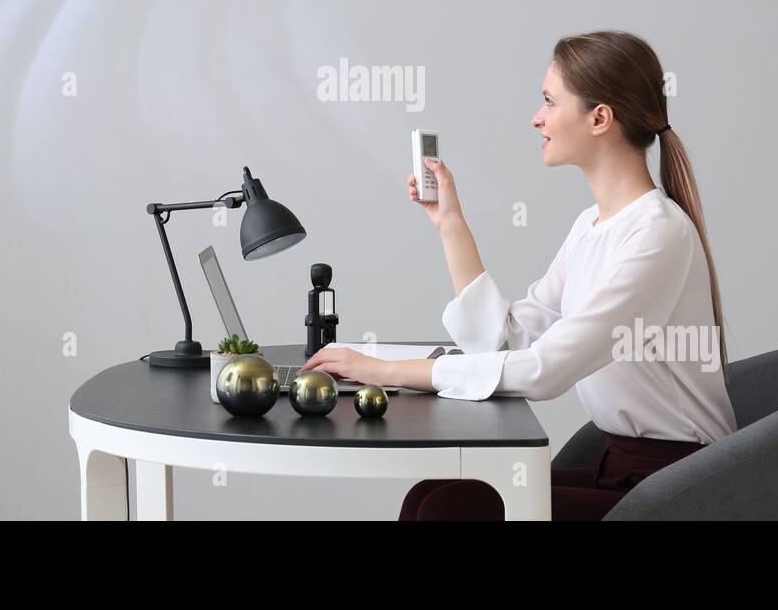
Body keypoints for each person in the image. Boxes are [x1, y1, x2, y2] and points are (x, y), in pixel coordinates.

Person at [299, 30, 737, 519]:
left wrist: (384, 372)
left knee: (452, 508)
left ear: (600, 118)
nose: (537, 117)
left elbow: (546, 370)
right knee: (434, 494)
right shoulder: (591, 229)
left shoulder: (657, 236)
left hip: (685, 487)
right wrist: (450, 223)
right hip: (619, 466)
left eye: (549, 101)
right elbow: (504, 341)